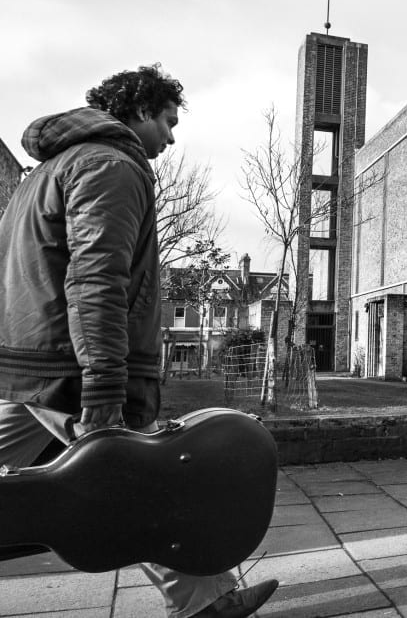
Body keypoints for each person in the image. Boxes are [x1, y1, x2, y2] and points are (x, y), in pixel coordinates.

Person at [0, 64, 278, 618]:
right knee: (138, 480)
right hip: (72, 367)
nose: (171, 138)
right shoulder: (110, 164)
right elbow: (97, 278)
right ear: (141, 111)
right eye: (169, 122)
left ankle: (208, 598)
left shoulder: (44, 171)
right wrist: (104, 386)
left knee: (125, 478)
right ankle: (207, 603)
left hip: (26, 362)